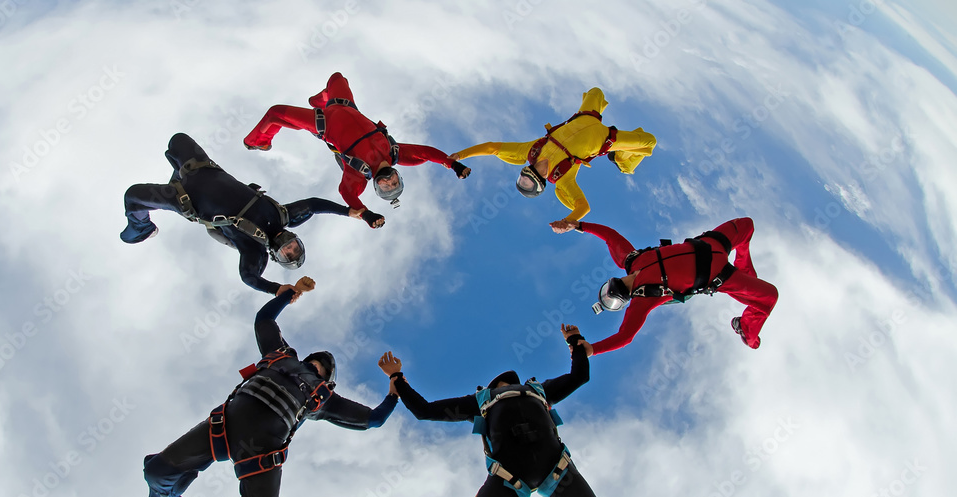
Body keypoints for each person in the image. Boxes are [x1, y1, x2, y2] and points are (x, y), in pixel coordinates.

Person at [142, 278, 399, 497]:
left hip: (261, 454)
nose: (318, 366)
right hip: (225, 427)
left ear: (328, 381)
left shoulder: (324, 398)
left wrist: (395, 387)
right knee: (158, 472)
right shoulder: (279, 355)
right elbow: (264, 319)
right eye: (314, 361)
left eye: (323, 369)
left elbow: (374, 419)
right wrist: (290, 294)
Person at [377, 324, 607, 497]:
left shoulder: (540, 391)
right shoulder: (479, 403)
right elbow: (425, 411)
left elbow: (579, 376)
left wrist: (574, 341)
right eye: (503, 382)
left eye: (513, 381)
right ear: (489, 388)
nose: (509, 383)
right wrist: (397, 378)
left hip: (555, 467)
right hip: (510, 477)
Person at [122, 132, 385, 295]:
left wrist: (278, 289)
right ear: (296, 238)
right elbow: (314, 204)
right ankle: (175, 176)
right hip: (203, 171)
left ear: (276, 255)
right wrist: (357, 213)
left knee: (133, 196)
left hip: (184, 200)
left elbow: (249, 277)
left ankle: (141, 229)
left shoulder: (254, 250)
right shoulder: (285, 216)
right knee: (177, 140)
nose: (289, 248)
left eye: (287, 255)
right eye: (295, 247)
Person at [243, 72, 471, 211]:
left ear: (376, 186)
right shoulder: (395, 153)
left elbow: (347, 193)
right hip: (343, 105)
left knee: (275, 113)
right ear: (397, 176)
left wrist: (365, 214)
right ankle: (319, 100)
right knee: (337, 78)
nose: (389, 182)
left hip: (324, 123)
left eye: (385, 188)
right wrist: (454, 165)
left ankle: (257, 141)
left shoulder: (359, 174)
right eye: (395, 183)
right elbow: (427, 153)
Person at [552, 216, 778, 353]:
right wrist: (592, 349)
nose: (610, 294)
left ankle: (747, 273)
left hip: (710, 243)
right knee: (769, 296)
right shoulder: (644, 299)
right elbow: (625, 337)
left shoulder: (629, 260)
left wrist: (579, 225)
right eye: (610, 302)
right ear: (623, 302)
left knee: (747, 225)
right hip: (718, 274)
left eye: (606, 293)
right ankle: (747, 331)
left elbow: (611, 236)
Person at [448, 87, 656, 225]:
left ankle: (623, 156)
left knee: (596, 91)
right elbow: (583, 206)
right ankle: (622, 161)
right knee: (649, 141)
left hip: (585, 117)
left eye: (521, 181)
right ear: (539, 187)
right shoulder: (562, 178)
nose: (525, 180)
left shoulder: (530, 151)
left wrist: (461, 155)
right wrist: (568, 222)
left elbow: (493, 148)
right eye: (527, 185)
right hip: (606, 139)